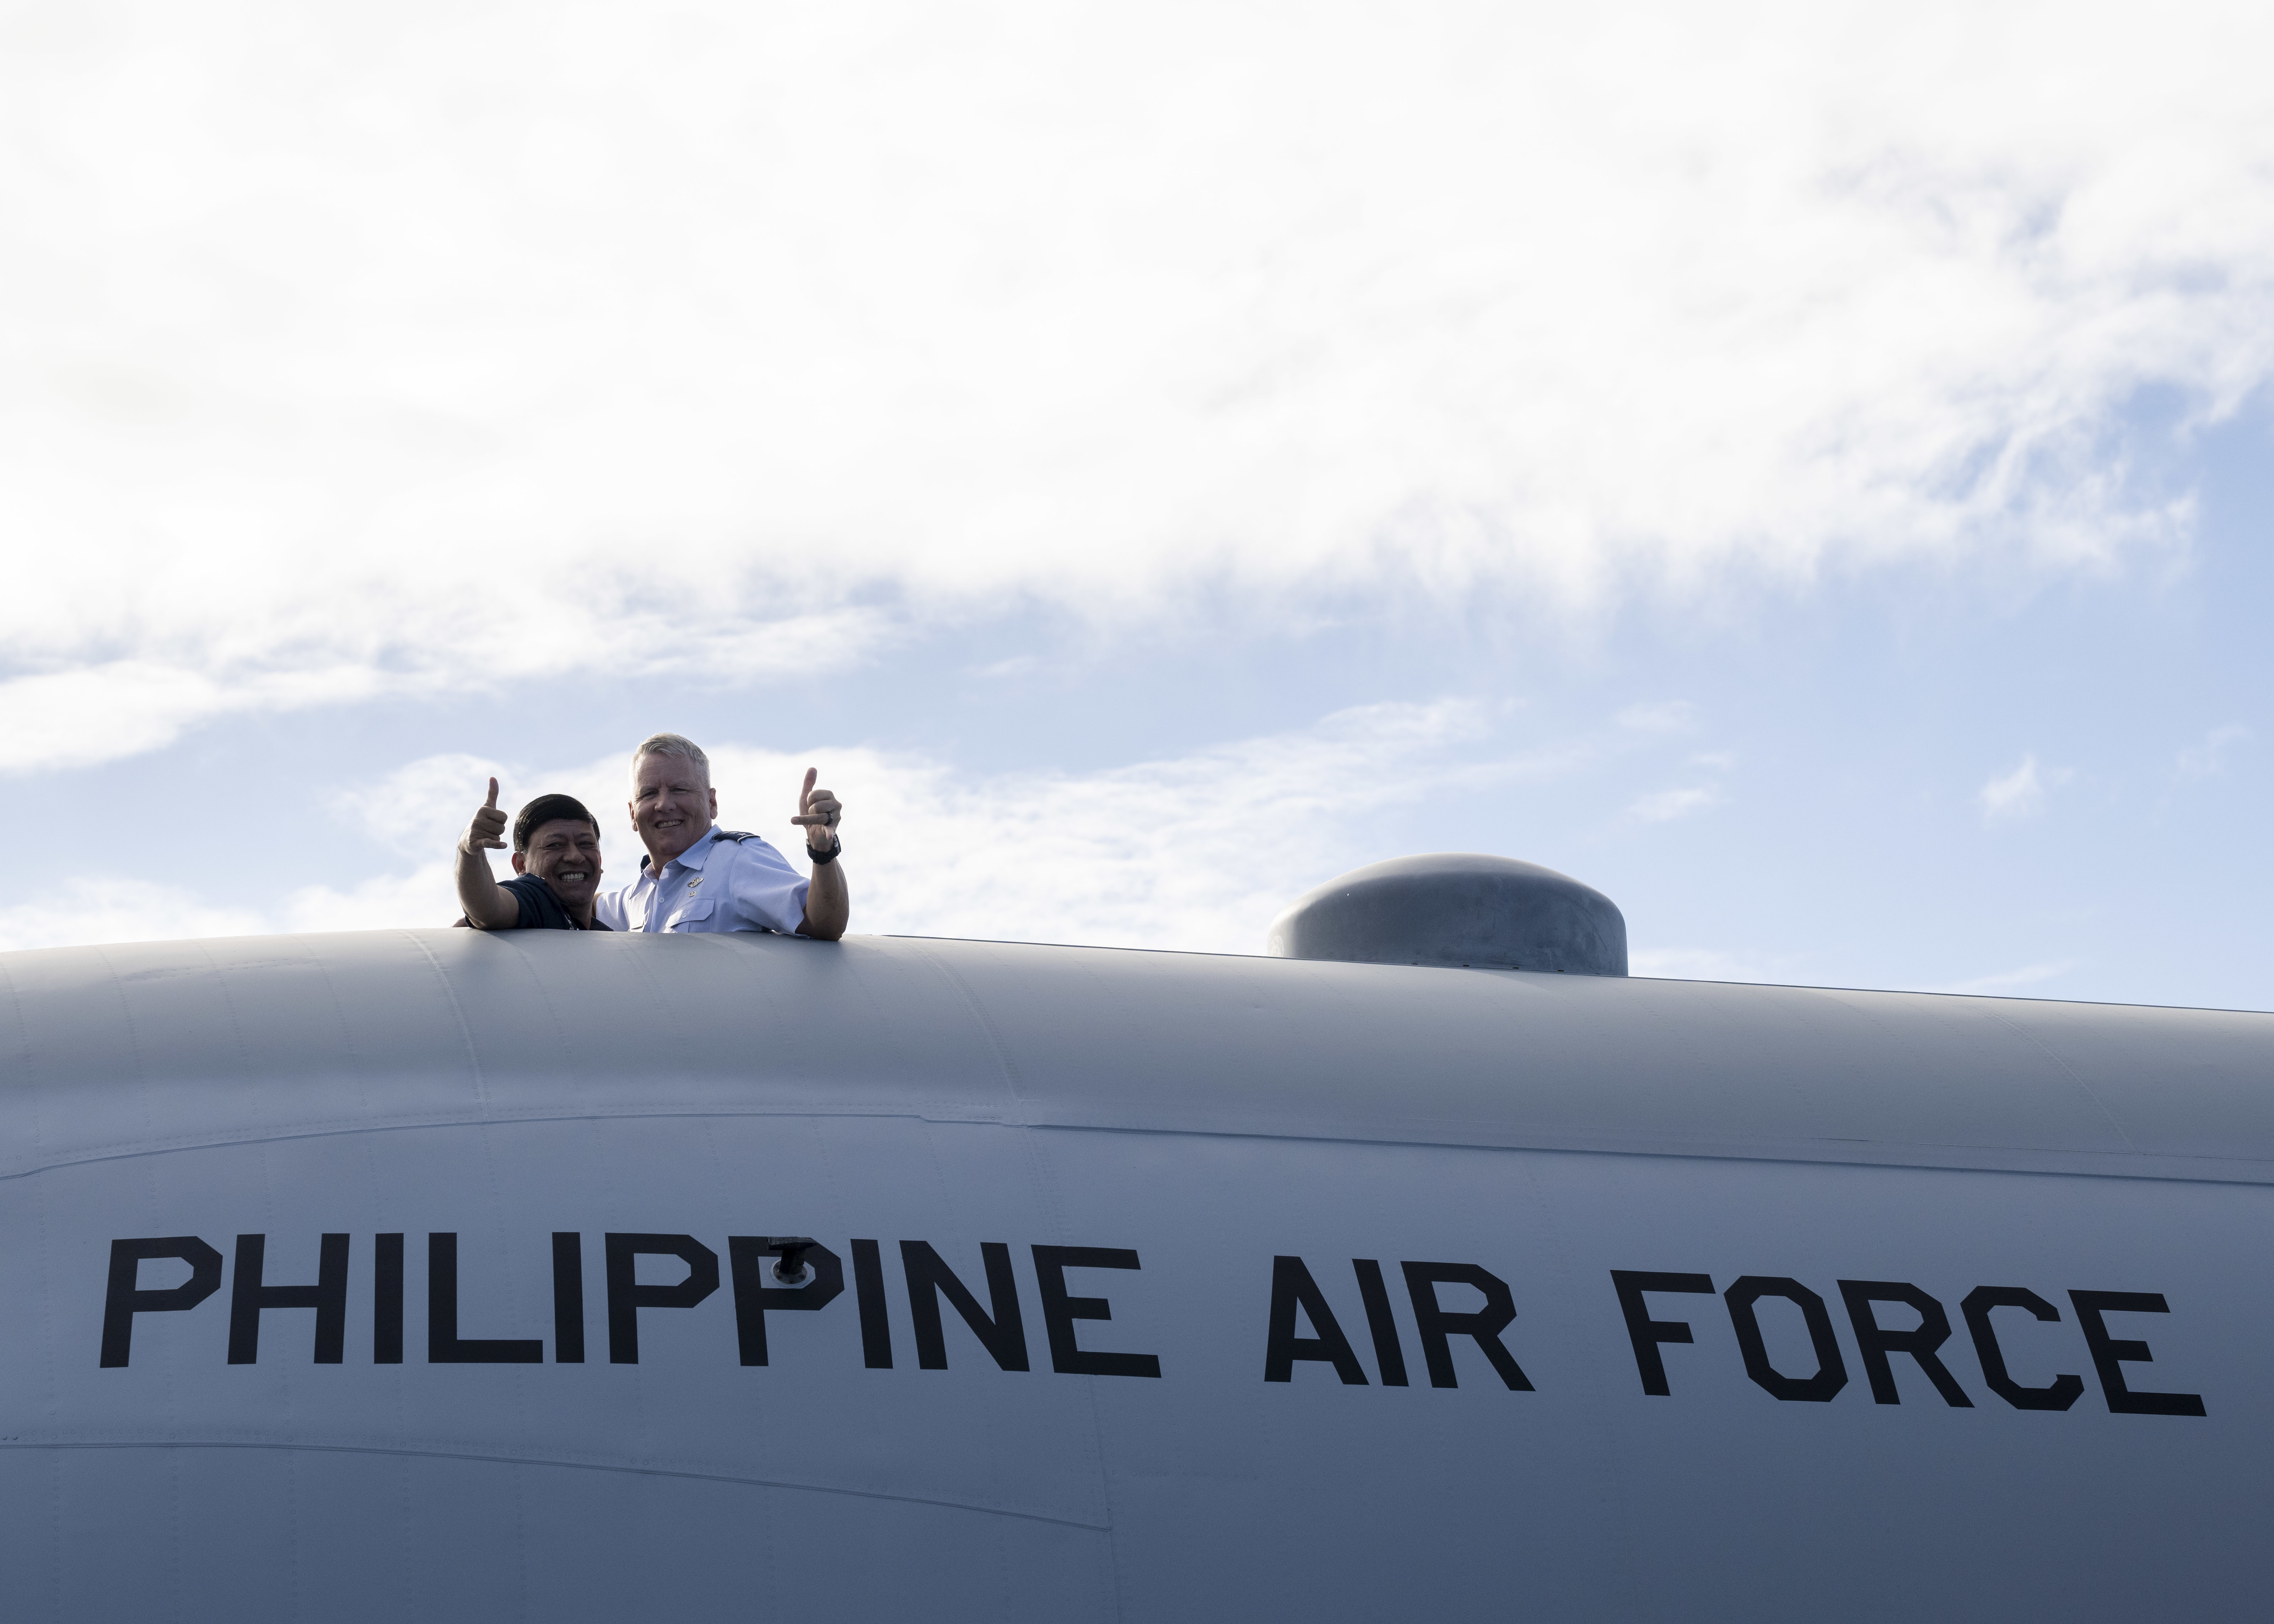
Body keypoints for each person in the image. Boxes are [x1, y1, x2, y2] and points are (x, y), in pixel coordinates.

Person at [593, 733, 848, 940]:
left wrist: (822, 851)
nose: (663, 804)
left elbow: (823, 923)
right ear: (632, 814)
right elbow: (584, 902)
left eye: (679, 789)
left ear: (712, 802)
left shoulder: (737, 860)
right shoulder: (638, 895)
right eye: (648, 794)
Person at [454, 782, 611, 931]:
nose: (575, 857)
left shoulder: (609, 938)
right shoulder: (537, 900)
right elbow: (487, 909)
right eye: (555, 845)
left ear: (600, 859)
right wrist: (469, 852)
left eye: (586, 844)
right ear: (521, 865)